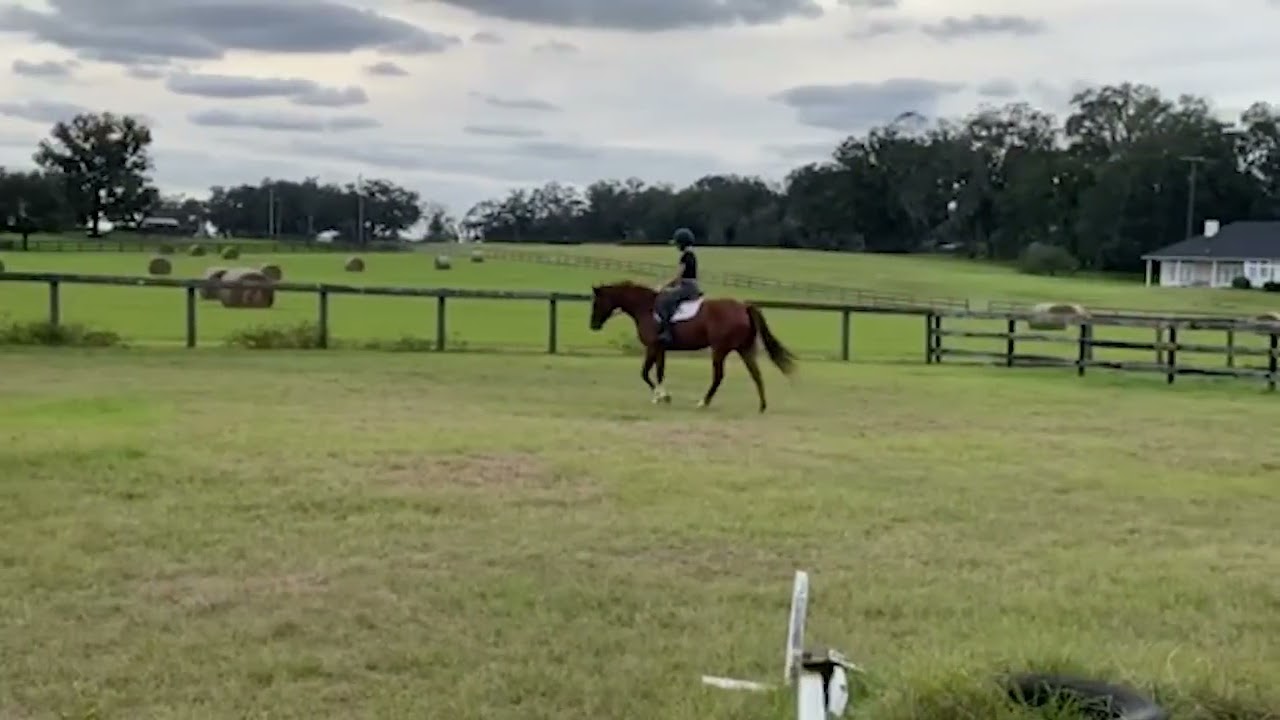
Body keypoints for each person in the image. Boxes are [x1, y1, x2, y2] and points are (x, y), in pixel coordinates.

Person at [654, 227, 701, 345]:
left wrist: (662, 287)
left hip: (687, 287)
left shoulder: (686, 256)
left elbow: (678, 277)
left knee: (663, 301)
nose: (676, 246)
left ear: (682, 243)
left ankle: (667, 332)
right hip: (691, 285)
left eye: (677, 243)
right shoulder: (691, 255)